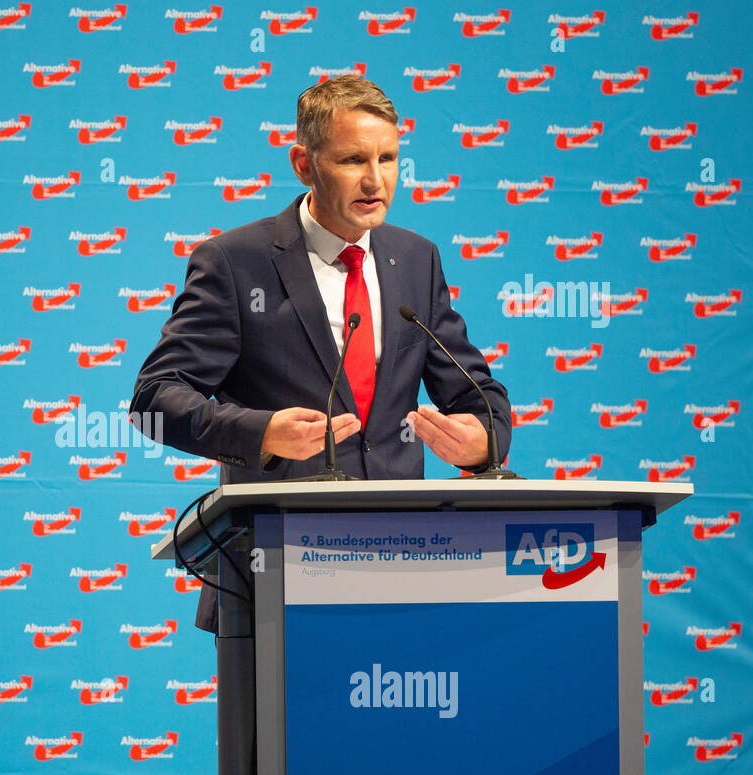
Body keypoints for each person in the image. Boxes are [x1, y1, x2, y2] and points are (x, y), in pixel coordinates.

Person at [131, 75, 512, 633]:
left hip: (407, 574)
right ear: (303, 164)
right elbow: (154, 398)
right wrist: (261, 433)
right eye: (353, 159)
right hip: (276, 576)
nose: (375, 180)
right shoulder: (236, 263)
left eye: (388, 158)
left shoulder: (416, 259)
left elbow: (479, 397)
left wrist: (482, 444)